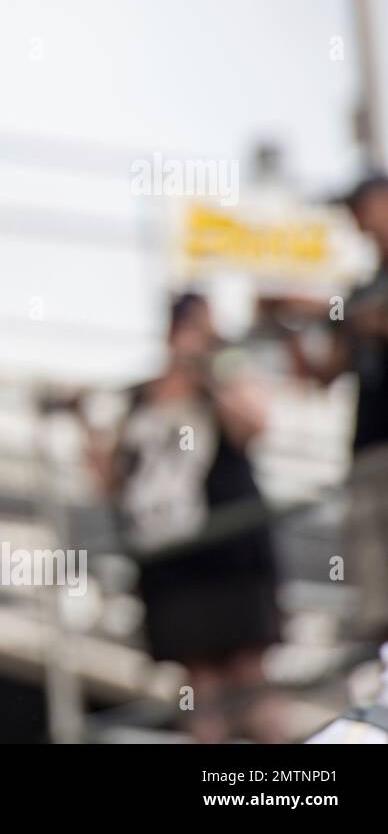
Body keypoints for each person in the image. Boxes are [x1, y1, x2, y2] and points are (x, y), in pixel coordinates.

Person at [86, 294, 286, 742]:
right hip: (173, 557)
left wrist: (210, 374)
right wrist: (85, 424)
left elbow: (254, 425)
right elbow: (111, 481)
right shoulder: (140, 396)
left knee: (251, 676)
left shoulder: (225, 378)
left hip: (232, 550)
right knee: (202, 685)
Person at [279, 174, 388, 643]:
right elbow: (324, 374)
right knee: (375, 601)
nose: (358, 223)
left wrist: (328, 309)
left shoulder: (359, 299)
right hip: (368, 456)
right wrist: (293, 329)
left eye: (363, 208)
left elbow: (372, 321)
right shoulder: (363, 289)